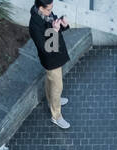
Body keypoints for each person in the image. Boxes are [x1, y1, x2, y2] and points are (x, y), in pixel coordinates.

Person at [29, 1, 73, 129]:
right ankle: (56, 116)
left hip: (57, 55)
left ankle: (52, 101)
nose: (51, 12)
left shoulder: (45, 14)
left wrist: (63, 25)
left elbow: (54, 27)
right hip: (51, 60)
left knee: (51, 82)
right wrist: (54, 30)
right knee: (57, 87)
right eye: (49, 9)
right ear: (40, 8)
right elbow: (45, 48)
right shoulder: (34, 26)